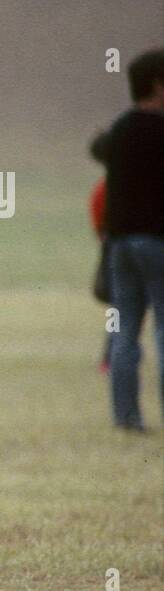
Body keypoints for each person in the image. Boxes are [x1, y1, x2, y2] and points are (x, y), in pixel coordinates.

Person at [103, 47, 164, 432]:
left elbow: (97, 148)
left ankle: (127, 416)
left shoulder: (121, 128)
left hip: (120, 244)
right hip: (158, 243)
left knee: (125, 331)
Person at [88, 131, 112, 373]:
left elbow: (97, 226)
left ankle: (110, 355)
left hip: (114, 250)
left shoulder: (101, 190)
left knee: (117, 310)